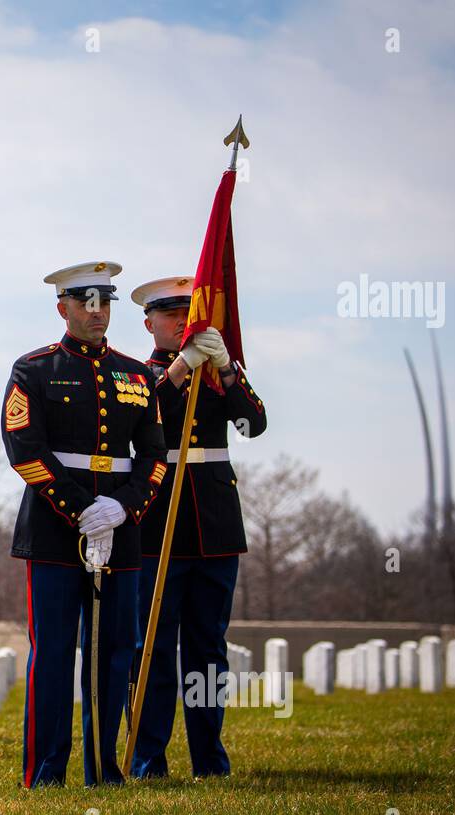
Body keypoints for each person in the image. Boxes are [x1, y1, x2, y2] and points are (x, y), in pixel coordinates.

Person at [1, 263, 167, 787]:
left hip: (122, 531)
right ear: (63, 309)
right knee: (52, 653)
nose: (97, 313)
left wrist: (122, 507)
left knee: (114, 650)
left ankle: (104, 770)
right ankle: (46, 772)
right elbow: (23, 448)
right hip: (54, 532)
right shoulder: (33, 369)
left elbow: (156, 457)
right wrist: (80, 510)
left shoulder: (136, 374)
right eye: (85, 304)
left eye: (104, 303)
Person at [128, 276, 267, 778]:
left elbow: (253, 425)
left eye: (189, 315)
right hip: (156, 522)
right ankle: (148, 759)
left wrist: (228, 370)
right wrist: (181, 369)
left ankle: (210, 759)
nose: (182, 324)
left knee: (208, 648)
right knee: (152, 647)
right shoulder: (136, 375)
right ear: (149, 323)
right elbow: (144, 418)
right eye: (170, 316)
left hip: (213, 524)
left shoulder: (216, 374)